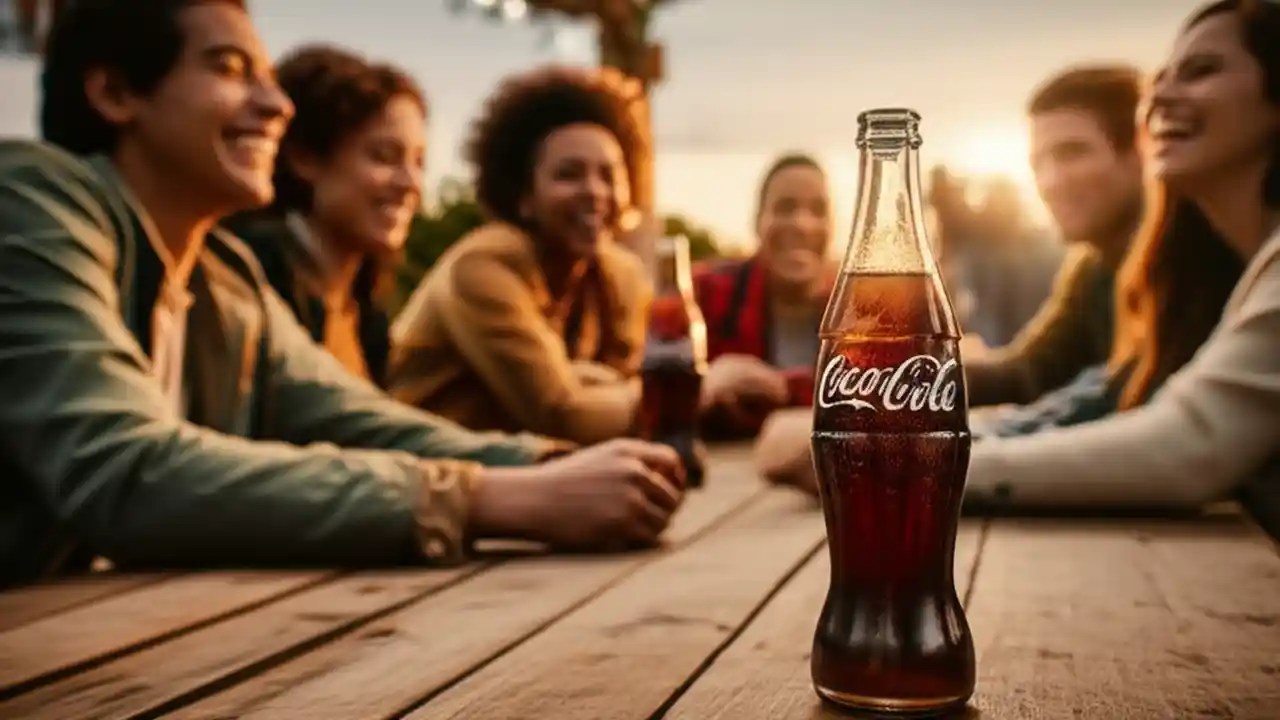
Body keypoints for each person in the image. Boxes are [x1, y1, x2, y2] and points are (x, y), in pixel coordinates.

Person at [0, 0, 684, 587]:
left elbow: (358, 419)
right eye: (231, 69)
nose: (277, 105)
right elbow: (127, 472)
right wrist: (487, 497)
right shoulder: (31, 202)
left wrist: (550, 465)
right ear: (116, 93)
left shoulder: (220, 277)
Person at [757, 0, 1280, 528]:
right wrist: (882, 425)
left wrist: (895, 460)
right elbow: (1077, 394)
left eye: (1203, 71)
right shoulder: (1152, 270)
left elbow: (1183, 443)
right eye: (1039, 163)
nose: (1160, 96)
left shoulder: (1230, 271)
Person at [388, 66, 651, 446]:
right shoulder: (482, 266)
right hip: (427, 477)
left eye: (609, 175)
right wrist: (681, 397)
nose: (595, 191)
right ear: (523, 197)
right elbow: (559, 413)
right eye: (569, 174)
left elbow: (622, 390)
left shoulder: (618, 274)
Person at [225, 45, 421, 387]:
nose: (410, 183)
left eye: (420, 162)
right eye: (384, 157)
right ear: (305, 158)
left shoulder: (365, 310)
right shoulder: (254, 276)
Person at [965, 65, 1146, 407]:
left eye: (1072, 153)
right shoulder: (1092, 268)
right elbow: (1028, 373)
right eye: (1037, 164)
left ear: (1140, 150)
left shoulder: (1193, 254)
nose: (1049, 182)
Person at [692, 154, 834, 438]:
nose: (802, 225)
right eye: (785, 208)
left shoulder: (866, 311)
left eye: (818, 210)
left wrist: (779, 388)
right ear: (757, 221)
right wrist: (702, 386)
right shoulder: (704, 293)